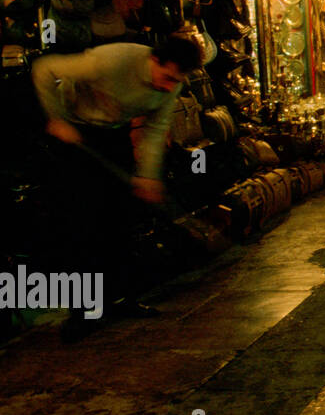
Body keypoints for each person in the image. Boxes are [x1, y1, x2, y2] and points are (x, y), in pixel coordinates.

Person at [31, 34, 201, 328]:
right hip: (78, 135)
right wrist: (57, 118)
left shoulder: (172, 82)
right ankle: (85, 310)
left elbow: (156, 129)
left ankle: (121, 298)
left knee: (119, 221)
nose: (168, 86)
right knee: (83, 223)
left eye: (176, 81)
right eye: (167, 77)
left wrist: (148, 175)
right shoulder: (109, 60)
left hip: (114, 134)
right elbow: (44, 69)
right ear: (153, 60)